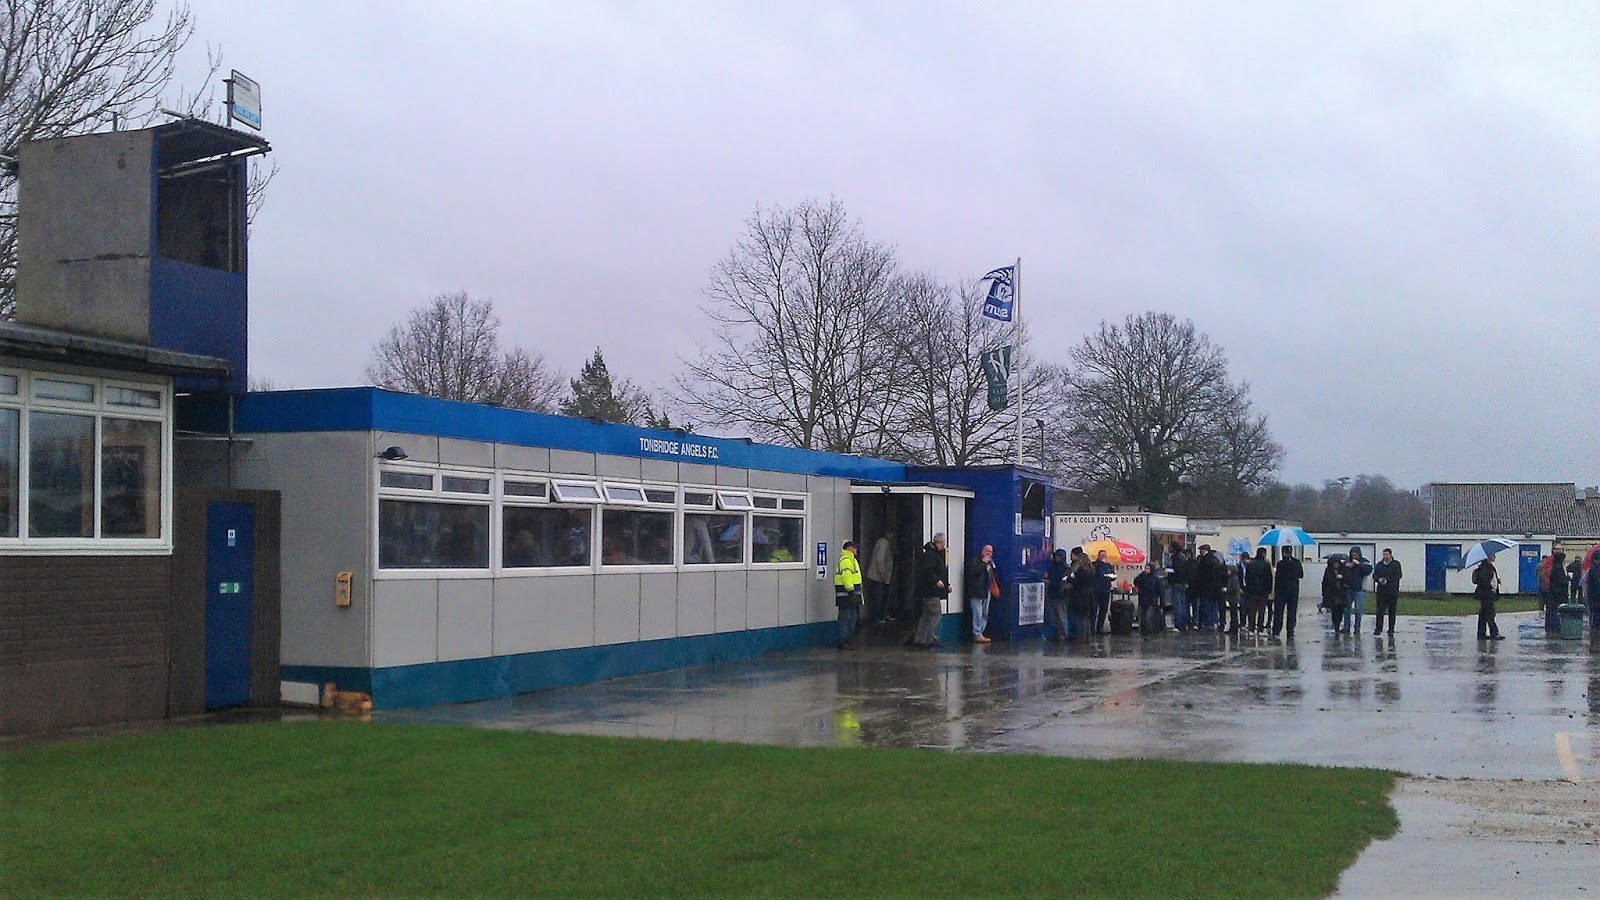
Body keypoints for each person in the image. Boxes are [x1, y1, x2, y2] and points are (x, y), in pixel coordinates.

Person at [909, 533, 950, 649]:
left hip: (927, 591)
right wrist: (937, 581)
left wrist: (946, 585)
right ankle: (931, 639)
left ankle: (920, 639)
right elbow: (930, 572)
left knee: (926, 615)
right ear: (941, 542)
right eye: (944, 542)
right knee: (935, 614)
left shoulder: (930, 554)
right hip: (932, 591)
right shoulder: (932, 556)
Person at [965, 544, 999, 644]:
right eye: (987, 550)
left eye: (991, 551)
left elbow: (992, 575)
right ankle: (977, 633)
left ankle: (981, 631)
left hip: (986, 589)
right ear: (982, 551)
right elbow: (973, 573)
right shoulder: (975, 561)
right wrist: (983, 563)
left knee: (985, 613)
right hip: (976, 591)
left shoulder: (991, 563)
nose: (989, 553)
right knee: (977, 613)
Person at [834, 541, 863, 650]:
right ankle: (844, 641)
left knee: (851, 618)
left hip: (848, 595)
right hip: (847, 596)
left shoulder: (851, 560)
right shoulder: (847, 561)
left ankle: (848, 640)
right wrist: (851, 592)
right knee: (846, 618)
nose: (856, 550)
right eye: (855, 548)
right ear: (849, 548)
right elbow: (847, 578)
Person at [1270, 547, 1304, 638]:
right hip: (1293, 591)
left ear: (1282, 552)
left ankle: (1276, 631)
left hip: (1281, 591)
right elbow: (1301, 575)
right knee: (1292, 612)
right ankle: (1290, 631)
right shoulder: (1296, 562)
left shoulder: (1280, 564)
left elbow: (1277, 579)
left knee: (1278, 612)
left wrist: (1274, 592)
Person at [1192, 545, 1224, 632]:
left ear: (1204, 550)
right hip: (1213, 589)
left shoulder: (1205, 561)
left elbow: (1203, 576)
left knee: (1206, 606)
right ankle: (1213, 623)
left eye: (1201, 550)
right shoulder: (1214, 560)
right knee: (1213, 606)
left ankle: (1208, 624)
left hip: (1206, 588)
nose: (1200, 552)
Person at [865, 531, 895, 624]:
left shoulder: (882, 542)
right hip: (879, 577)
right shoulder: (884, 543)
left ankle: (882, 615)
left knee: (881, 597)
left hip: (879, 576)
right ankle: (878, 617)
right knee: (879, 598)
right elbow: (880, 560)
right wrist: (883, 575)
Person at [1067, 549, 1097, 641]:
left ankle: (1082, 636)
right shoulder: (1091, 569)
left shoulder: (1081, 570)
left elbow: (1076, 581)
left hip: (1080, 595)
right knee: (1086, 616)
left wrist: (1069, 579)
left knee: (1080, 617)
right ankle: (1087, 635)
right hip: (1089, 595)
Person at [1372, 548, 1402, 635]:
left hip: (1392, 592)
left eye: (1386, 554)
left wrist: (1387, 580)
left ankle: (1391, 629)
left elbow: (1398, 575)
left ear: (1390, 555)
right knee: (1380, 611)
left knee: (1392, 611)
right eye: (1384, 554)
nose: (1385, 556)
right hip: (1381, 592)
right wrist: (1379, 580)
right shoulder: (1379, 565)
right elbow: (1374, 576)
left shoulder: (1396, 564)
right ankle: (1378, 629)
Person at [1473, 553, 1503, 640]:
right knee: (1490, 613)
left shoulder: (1488, 566)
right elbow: (1484, 579)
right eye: (1493, 555)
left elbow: (1491, 578)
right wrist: (1490, 587)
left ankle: (1481, 633)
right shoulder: (1486, 567)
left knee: (1483, 614)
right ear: (1488, 557)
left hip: (1486, 593)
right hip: (1486, 594)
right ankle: (1494, 633)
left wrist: (1497, 581)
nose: (1495, 557)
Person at [1245, 547, 1274, 633]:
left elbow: (1247, 578)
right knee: (1261, 611)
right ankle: (1260, 628)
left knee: (1252, 611)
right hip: (1263, 592)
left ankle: (1251, 628)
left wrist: (1248, 589)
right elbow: (1269, 579)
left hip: (1252, 592)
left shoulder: (1250, 564)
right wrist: (1269, 591)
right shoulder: (1266, 565)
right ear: (1263, 554)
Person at [1344, 548, 1372, 635]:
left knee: (1358, 610)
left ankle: (1357, 628)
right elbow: (1342, 573)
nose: (1354, 555)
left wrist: (1358, 564)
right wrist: (1346, 567)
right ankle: (1346, 627)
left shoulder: (1365, 562)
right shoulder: (1347, 562)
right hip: (1348, 589)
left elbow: (1368, 570)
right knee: (1346, 609)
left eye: (1356, 554)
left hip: (1360, 590)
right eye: (1353, 553)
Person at [1046, 548, 1072, 641]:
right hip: (1053, 593)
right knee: (1054, 617)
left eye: (1058, 556)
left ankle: (1064, 634)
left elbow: (1062, 581)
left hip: (1060, 594)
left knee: (1061, 616)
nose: (1056, 558)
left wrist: (1050, 581)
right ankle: (1058, 634)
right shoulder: (1054, 567)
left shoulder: (1065, 568)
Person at [1134, 562, 1164, 636]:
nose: (1146, 570)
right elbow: (1136, 582)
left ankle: (1149, 632)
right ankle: (1143, 632)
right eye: (1146, 568)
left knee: (1148, 617)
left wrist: (1161, 601)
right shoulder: (1142, 577)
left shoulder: (1156, 579)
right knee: (1142, 618)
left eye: (1148, 568)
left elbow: (1160, 590)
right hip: (1142, 600)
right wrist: (1141, 574)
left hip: (1152, 601)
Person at [1168, 547, 1194, 632]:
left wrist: (1170, 580)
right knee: (1183, 605)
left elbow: (1171, 571)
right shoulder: (1183, 558)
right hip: (1183, 584)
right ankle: (1184, 624)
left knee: (1177, 605)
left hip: (1176, 584)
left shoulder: (1174, 558)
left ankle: (1178, 625)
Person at [1323, 556, 1349, 633]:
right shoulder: (1328, 571)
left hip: (1341, 593)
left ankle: (1339, 622)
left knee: (1340, 610)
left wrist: (1342, 577)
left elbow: (1348, 580)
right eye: (1334, 563)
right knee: (1334, 611)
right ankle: (1336, 626)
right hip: (1332, 594)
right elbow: (1325, 582)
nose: (1336, 565)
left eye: (1337, 563)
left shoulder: (1343, 570)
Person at [1092, 550, 1115, 634]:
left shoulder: (1108, 566)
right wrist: (1101, 564)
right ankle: (1092, 628)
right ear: (1098, 556)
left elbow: (1112, 575)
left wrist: (1111, 577)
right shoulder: (1094, 564)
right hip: (1096, 590)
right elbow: (1095, 574)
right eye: (1101, 556)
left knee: (1103, 610)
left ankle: (1099, 628)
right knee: (1094, 610)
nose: (1103, 557)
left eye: (1104, 556)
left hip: (1105, 590)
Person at [1544, 551, 1568, 631]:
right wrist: (1568, 578)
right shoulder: (1559, 568)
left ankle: (1551, 626)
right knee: (1555, 611)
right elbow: (1562, 581)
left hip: (1553, 593)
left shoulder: (1554, 567)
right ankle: (1555, 627)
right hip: (1558, 594)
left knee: (1552, 610)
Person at [1221, 556, 1244, 634]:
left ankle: (1234, 629)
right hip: (1233, 598)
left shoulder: (1233, 578)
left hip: (1233, 598)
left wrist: (1226, 590)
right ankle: (1233, 628)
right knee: (1233, 614)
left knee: (1233, 614)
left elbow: (1234, 589)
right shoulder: (1233, 578)